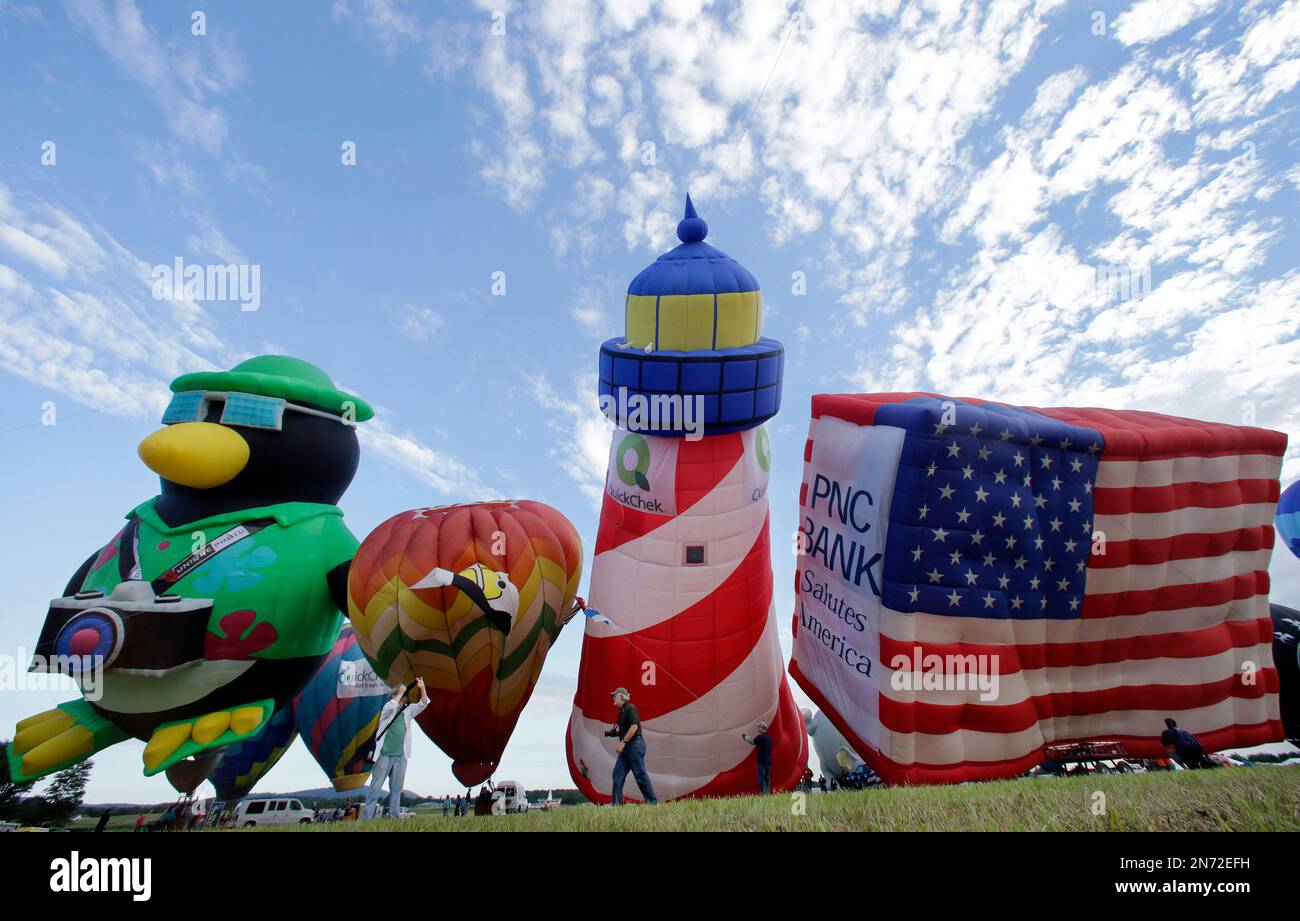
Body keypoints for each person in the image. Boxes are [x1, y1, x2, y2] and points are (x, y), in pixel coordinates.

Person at [363, 677, 429, 819]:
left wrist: (422, 687)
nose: (403, 697)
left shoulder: (408, 711)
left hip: (401, 755)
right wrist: (399, 692)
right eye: (400, 694)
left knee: (397, 788)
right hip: (384, 755)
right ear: (394, 695)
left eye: (404, 695)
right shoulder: (388, 708)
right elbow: (392, 706)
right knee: (375, 787)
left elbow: (423, 704)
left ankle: (394, 816)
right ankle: (367, 818)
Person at [605, 687, 658, 805]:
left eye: (615, 695)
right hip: (627, 748)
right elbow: (621, 729)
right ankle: (616, 805)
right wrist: (610, 733)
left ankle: (653, 803)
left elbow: (634, 727)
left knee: (640, 774)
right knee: (617, 775)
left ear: (622, 697)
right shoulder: (622, 712)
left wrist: (623, 742)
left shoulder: (630, 708)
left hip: (634, 745)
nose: (613, 697)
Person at [741, 721, 774, 794]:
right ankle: (768, 793)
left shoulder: (760, 737)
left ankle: (765, 794)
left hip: (762, 762)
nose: (757, 728)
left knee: (761, 779)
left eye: (758, 727)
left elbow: (753, 741)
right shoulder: (769, 737)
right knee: (767, 778)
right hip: (768, 762)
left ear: (762, 728)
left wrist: (745, 737)